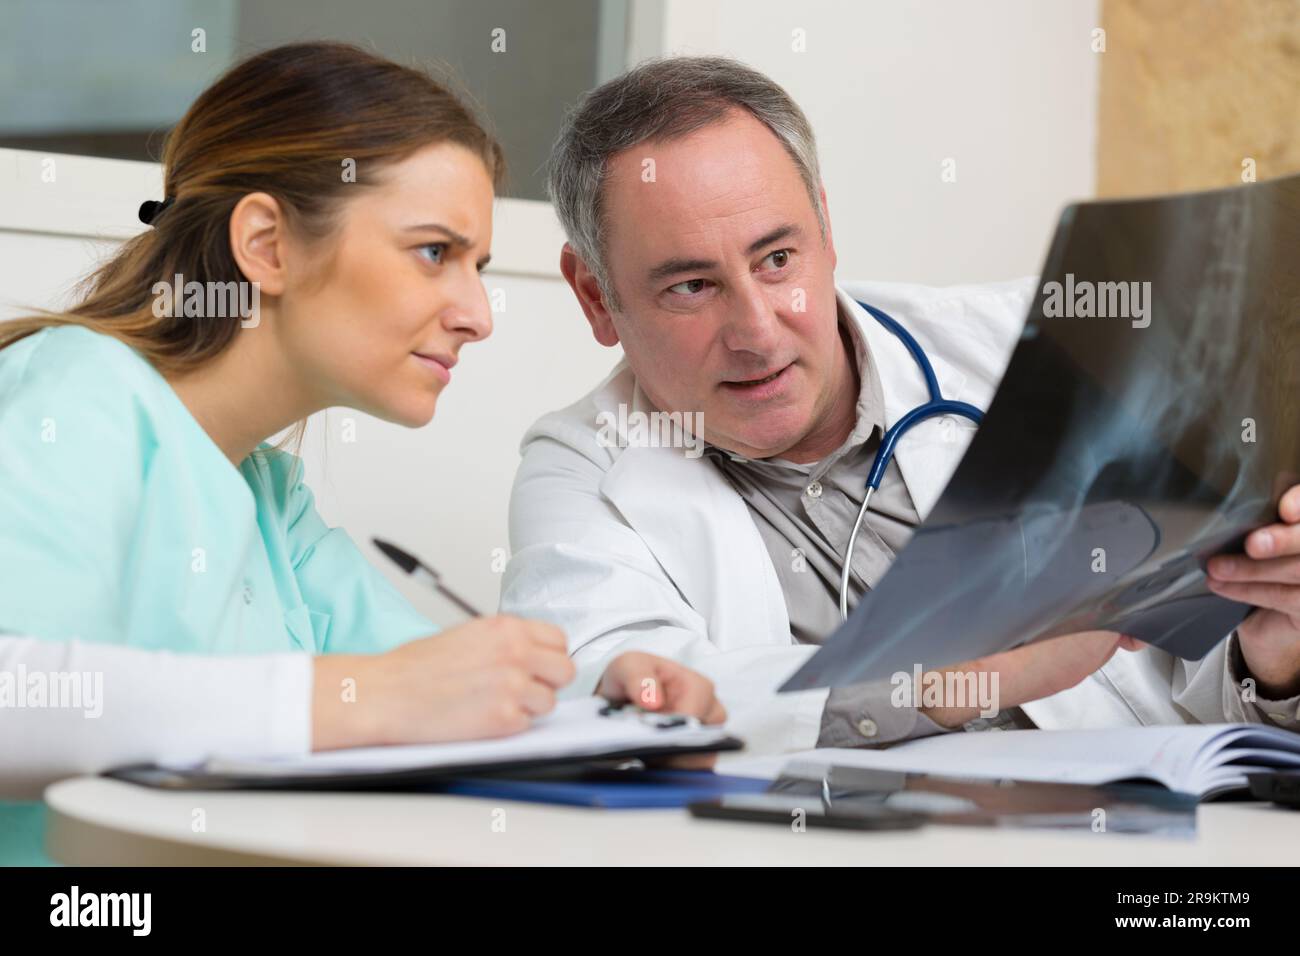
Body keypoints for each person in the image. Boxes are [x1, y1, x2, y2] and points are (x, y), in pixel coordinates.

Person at [0, 42, 722, 865]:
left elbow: (432, 692)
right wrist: (367, 700)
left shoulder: (270, 499)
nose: (478, 314)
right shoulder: (76, 392)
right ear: (267, 246)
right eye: (433, 253)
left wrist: (601, 710)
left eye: (476, 265)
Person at [500, 55, 1300, 754]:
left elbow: (1199, 700)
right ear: (595, 296)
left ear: (827, 228)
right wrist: (954, 680)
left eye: (778, 258)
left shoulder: (1044, 346)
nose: (756, 329)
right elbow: (618, 701)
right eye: (691, 286)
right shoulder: (584, 468)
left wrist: (1272, 657)